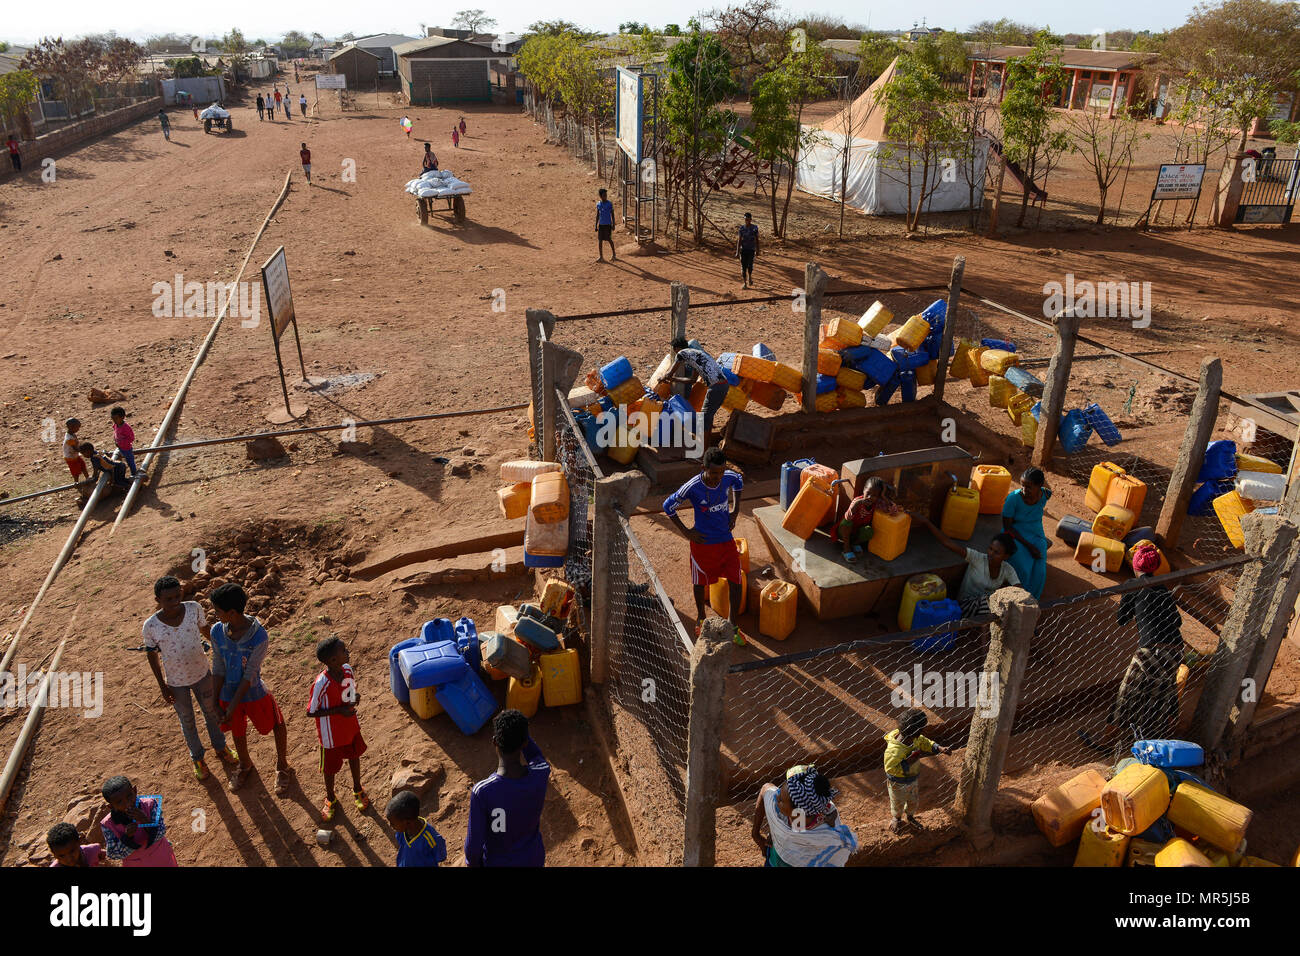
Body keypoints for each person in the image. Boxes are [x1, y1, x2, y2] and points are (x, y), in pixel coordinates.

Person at [1080, 545, 1184, 754]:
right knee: (1162, 695)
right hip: (1174, 651)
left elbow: (1122, 619)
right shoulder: (1163, 589)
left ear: (1135, 565)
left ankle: (1107, 741)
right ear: (1155, 567)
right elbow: (1178, 621)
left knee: (1127, 694)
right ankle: (1161, 743)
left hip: (1150, 651)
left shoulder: (1133, 585)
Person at [144, 575, 239, 782]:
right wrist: (163, 686)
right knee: (187, 720)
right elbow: (152, 656)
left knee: (212, 712)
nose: (175, 601)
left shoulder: (194, 608)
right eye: (168, 599)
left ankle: (221, 747)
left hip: (202, 673)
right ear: (157, 601)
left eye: (177, 595)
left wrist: (222, 650)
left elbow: (206, 630)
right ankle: (198, 759)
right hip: (176, 683)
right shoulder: (151, 626)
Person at [209, 582, 295, 795]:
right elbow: (218, 665)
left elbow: (249, 676)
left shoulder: (259, 636)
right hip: (228, 694)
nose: (214, 614)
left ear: (231, 612)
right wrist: (215, 702)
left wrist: (231, 706)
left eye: (217, 610)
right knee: (237, 729)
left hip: (253, 691)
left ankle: (283, 765)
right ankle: (245, 764)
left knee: (276, 723)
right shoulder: (217, 631)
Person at [663, 446, 745, 644]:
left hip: (726, 540)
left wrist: (735, 511)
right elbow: (668, 506)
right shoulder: (692, 487)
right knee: (700, 582)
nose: (718, 477)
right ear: (703, 468)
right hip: (703, 544)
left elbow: (739, 482)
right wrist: (686, 531)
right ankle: (700, 618)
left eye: (721, 472)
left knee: (736, 579)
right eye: (714, 473)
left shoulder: (728, 476)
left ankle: (733, 625)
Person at [465, 709, 550, 867]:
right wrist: (520, 733)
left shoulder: (482, 792)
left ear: (495, 742)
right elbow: (536, 756)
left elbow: (473, 848)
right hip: (533, 859)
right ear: (524, 743)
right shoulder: (541, 773)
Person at [307, 636, 370, 822]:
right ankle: (331, 798)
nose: (348, 652)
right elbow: (311, 712)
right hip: (330, 735)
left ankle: (358, 788)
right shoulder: (321, 683)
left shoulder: (348, 670)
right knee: (330, 768)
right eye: (344, 650)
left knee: (354, 755)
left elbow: (349, 692)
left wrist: (353, 698)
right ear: (332, 660)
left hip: (349, 726)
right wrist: (338, 711)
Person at [751, 765, 858, 866]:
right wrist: (756, 834)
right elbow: (766, 788)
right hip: (775, 861)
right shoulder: (814, 807)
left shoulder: (826, 829)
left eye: (782, 800)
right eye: (780, 793)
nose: (776, 798)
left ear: (798, 813)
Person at [914, 516, 1021, 617]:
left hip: (985, 611)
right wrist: (927, 522)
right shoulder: (977, 558)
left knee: (1002, 603)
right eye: (990, 549)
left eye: (996, 552)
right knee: (988, 601)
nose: (991, 554)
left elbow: (1019, 590)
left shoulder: (1007, 569)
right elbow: (948, 543)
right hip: (963, 606)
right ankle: (983, 635)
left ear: (1006, 556)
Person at [884, 708, 952, 834]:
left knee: (913, 800)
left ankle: (910, 817)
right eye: (922, 729)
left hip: (912, 779)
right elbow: (890, 768)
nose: (923, 731)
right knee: (897, 802)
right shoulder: (894, 750)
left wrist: (939, 748)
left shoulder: (914, 738)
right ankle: (897, 818)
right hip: (897, 783)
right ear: (917, 731)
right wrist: (906, 763)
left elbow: (924, 742)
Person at [100, 776, 178, 866]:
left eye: (129, 796)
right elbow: (113, 853)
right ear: (111, 806)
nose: (127, 803)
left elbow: (161, 831)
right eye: (119, 802)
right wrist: (127, 837)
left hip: (161, 856)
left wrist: (144, 820)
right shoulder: (108, 824)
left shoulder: (150, 804)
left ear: (134, 791)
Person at [1002, 466, 1052, 598]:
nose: (1024, 490)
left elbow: (1048, 491)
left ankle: (1031, 601)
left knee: (1040, 572)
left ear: (1039, 486)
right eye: (1022, 485)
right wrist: (1030, 547)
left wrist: (1033, 546)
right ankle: (1019, 599)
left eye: (1029, 487)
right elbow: (1007, 527)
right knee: (1024, 569)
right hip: (1014, 534)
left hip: (1036, 533)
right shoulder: (1013, 499)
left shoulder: (1045, 495)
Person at [668, 337, 731, 440]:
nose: (675, 353)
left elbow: (669, 373)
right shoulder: (697, 355)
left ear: (677, 348)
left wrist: (665, 377)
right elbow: (692, 380)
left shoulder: (682, 353)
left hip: (715, 387)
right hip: (724, 385)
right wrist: (674, 379)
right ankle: (708, 444)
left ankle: (703, 448)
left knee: (704, 418)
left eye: (674, 350)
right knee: (708, 416)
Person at [835, 477, 899, 563]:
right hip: (844, 532)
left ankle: (854, 544)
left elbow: (893, 511)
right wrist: (858, 503)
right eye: (868, 493)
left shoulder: (876, 503)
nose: (870, 497)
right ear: (863, 490)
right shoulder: (857, 501)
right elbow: (848, 518)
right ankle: (846, 548)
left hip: (857, 532)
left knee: (869, 531)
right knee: (847, 523)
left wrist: (883, 496)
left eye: (874, 495)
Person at [385, 790, 448, 867]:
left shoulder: (431, 839)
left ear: (407, 822)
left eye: (393, 823)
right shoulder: (402, 831)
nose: (390, 825)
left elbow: (441, 856)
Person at [110, 406, 137, 477]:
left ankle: (134, 474)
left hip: (127, 448)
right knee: (119, 460)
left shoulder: (126, 427)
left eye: (116, 418)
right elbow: (115, 432)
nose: (114, 420)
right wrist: (116, 441)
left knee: (130, 462)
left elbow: (131, 438)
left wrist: (122, 443)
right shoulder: (116, 425)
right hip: (120, 447)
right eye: (113, 419)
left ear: (122, 417)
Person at [736, 212, 760, 289]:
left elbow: (757, 240)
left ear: (751, 220)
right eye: (745, 219)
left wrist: (757, 250)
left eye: (748, 219)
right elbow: (739, 240)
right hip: (743, 250)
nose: (747, 221)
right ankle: (745, 283)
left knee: (750, 265)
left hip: (751, 250)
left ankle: (750, 277)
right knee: (743, 267)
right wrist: (737, 251)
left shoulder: (754, 228)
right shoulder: (741, 228)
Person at [62, 418, 87, 484]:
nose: (78, 429)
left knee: (82, 465)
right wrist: (83, 451)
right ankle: (76, 482)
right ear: (72, 427)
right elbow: (74, 448)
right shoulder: (69, 438)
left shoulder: (72, 434)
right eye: (77, 427)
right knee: (75, 470)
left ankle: (88, 478)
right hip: (70, 457)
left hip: (75, 455)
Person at [595, 188, 617, 262]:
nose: (605, 196)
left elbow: (612, 214)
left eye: (606, 195)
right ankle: (601, 257)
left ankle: (614, 255)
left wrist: (613, 224)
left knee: (609, 239)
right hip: (601, 225)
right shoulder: (598, 204)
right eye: (604, 195)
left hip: (608, 225)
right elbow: (597, 215)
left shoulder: (609, 204)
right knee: (600, 240)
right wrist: (596, 225)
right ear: (600, 196)